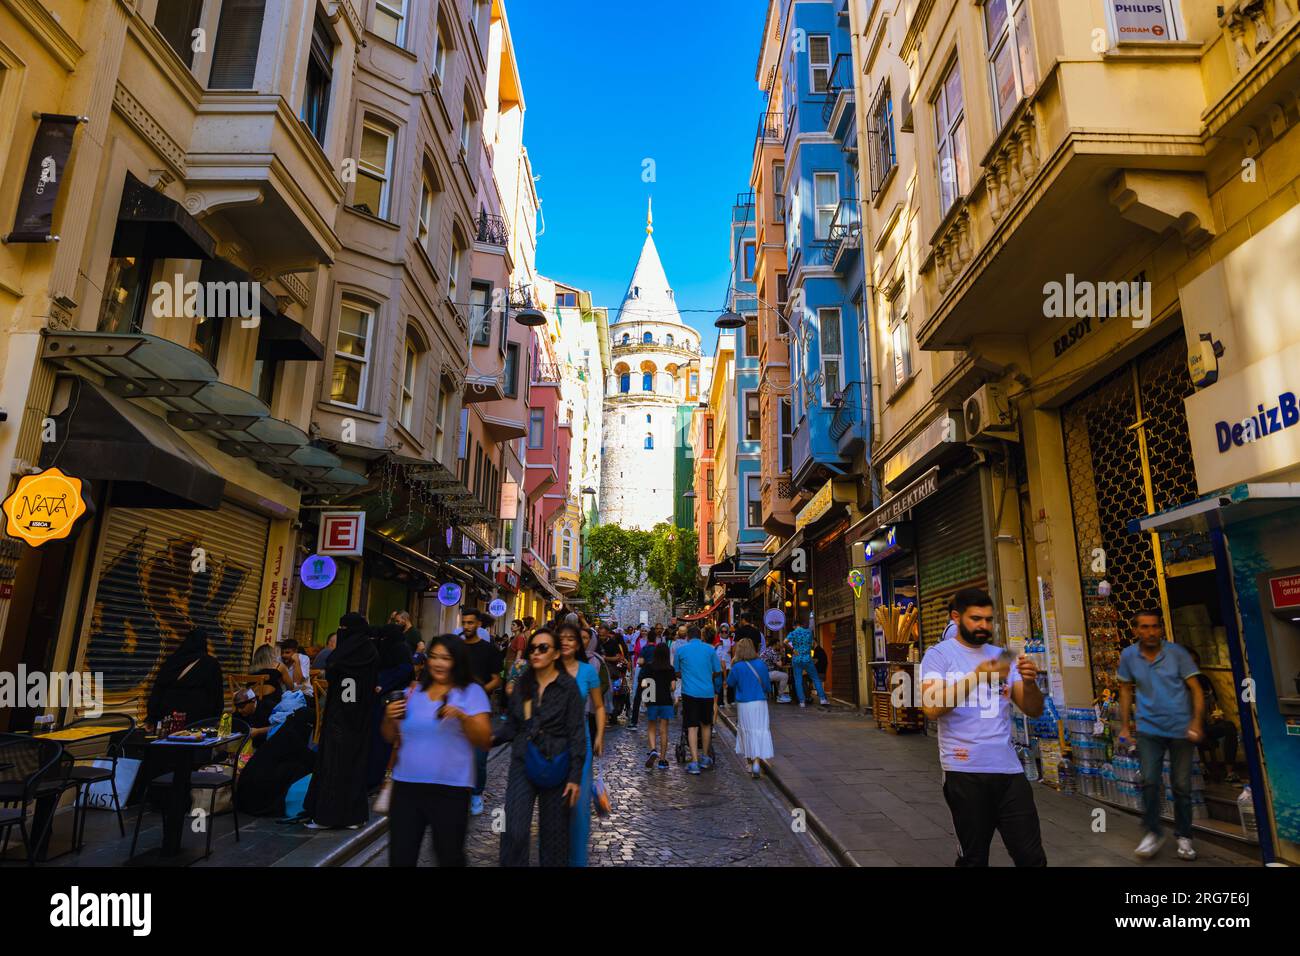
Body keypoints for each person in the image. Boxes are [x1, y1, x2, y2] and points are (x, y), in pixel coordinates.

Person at [920, 587, 1046, 867]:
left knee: (1032, 857)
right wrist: (977, 676)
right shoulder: (939, 655)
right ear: (956, 617)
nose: (984, 625)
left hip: (1009, 770)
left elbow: (1033, 709)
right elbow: (931, 707)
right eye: (976, 618)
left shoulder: (1003, 656)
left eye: (988, 619)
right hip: (964, 772)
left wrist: (1028, 682)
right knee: (974, 860)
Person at [382, 634, 493, 867]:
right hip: (406, 788)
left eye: (446, 658)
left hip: (451, 790)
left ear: (457, 661)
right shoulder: (413, 692)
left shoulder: (472, 692)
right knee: (400, 857)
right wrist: (389, 717)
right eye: (433, 657)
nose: (438, 663)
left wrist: (462, 716)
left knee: (449, 856)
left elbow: (484, 741)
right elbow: (390, 736)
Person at [493, 627, 586, 867]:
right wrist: (488, 738)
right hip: (523, 760)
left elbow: (577, 732)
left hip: (557, 763)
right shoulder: (523, 685)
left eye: (543, 648)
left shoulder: (568, 687)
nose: (535, 652)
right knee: (513, 828)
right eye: (533, 648)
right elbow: (512, 725)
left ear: (555, 654)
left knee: (554, 838)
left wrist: (575, 777)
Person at [1118, 608, 1205, 862]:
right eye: (1144, 627)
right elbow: (1124, 690)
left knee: (1181, 785)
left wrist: (1197, 722)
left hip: (1180, 729)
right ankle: (1152, 832)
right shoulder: (1129, 656)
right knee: (1150, 780)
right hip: (1148, 728)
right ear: (1135, 630)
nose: (1150, 632)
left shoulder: (1177, 654)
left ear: (1161, 628)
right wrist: (1125, 726)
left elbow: (1196, 690)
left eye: (1155, 626)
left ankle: (1184, 836)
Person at [304, 612, 380, 830]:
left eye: (343, 629)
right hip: (361, 719)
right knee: (355, 765)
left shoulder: (345, 658)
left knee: (334, 765)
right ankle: (354, 816)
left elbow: (343, 687)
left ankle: (327, 816)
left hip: (341, 720)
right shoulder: (370, 652)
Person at [558, 623, 604, 867]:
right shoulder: (548, 668)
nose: (565, 642)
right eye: (561, 638)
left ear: (579, 644)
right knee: (554, 802)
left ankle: (578, 861)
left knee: (580, 805)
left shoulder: (587, 671)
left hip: (580, 738)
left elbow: (598, 706)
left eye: (571, 639)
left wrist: (599, 736)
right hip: (553, 741)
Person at [460, 610, 504, 817]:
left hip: (479, 708)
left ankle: (477, 792)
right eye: (464, 623)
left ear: (478, 624)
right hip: (456, 707)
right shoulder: (456, 647)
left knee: (479, 754)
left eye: (470, 623)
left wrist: (479, 691)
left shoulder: (488, 650)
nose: (466, 626)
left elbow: (497, 679)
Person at [368, 623, 416, 791]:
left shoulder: (398, 650)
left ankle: (381, 775)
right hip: (389, 700)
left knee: (386, 740)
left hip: (392, 701)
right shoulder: (400, 648)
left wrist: (382, 684)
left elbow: (404, 670)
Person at [146, 627, 224, 730]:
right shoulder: (210, 664)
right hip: (198, 720)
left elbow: (158, 690)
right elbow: (216, 693)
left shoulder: (172, 661)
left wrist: (152, 717)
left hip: (170, 719)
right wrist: (216, 717)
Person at [1187, 649, 1240, 783]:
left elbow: (1214, 705)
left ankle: (1230, 771)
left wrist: (1216, 716)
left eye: (1195, 663)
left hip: (1206, 725)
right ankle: (1199, 766)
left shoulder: (1204, 680)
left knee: (1229, 727)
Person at [675, 627, 721, 775]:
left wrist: (687, 675)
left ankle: (694, 761)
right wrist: (707, 677)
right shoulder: (710, 650)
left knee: (692, 726)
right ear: (700, 636)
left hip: (690, 692)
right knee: (706, 724)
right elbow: (718, 670)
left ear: (688, 636)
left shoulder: (681, 650)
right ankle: (706, 757)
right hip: (707, 692)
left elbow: (676, 671)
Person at [728, 639, 774, 778]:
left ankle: (750, 762)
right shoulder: (760, 664)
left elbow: (730, 683)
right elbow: (767, 685)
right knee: (760, 730)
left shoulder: (737, 666)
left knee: (747, 731)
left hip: (744, 704)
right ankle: (757, 762)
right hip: (759, 702)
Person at [641, 643, 675, 771]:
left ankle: (653, 749)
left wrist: (645, 698)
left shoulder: (649, 667)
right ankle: (662, 760)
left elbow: (644, 684)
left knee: (651, 727)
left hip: (652, 699)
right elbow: (673, 687)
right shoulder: (670, 669)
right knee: (664, 730)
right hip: (665, 700)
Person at [787, 625, 829, 708]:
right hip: (807, 658)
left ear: (796, 626)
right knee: (815, 679)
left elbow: (785, 641)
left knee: (798, 680)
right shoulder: (809, 633)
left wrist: (793, 649)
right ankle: (822, 699)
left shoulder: (793, 633)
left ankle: (802, 702)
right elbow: (811, 643)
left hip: (797, 659)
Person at [760, 638, 791, 703]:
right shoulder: (772, 651)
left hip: (763, 673)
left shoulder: (768, 650)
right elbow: (779, 664)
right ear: (776, 644)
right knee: (785, 676)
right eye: (779, 643)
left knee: (780, 674)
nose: (780, 645)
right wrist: (781, 654)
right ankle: (780, 696)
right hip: (766, 673)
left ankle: (779, 695)